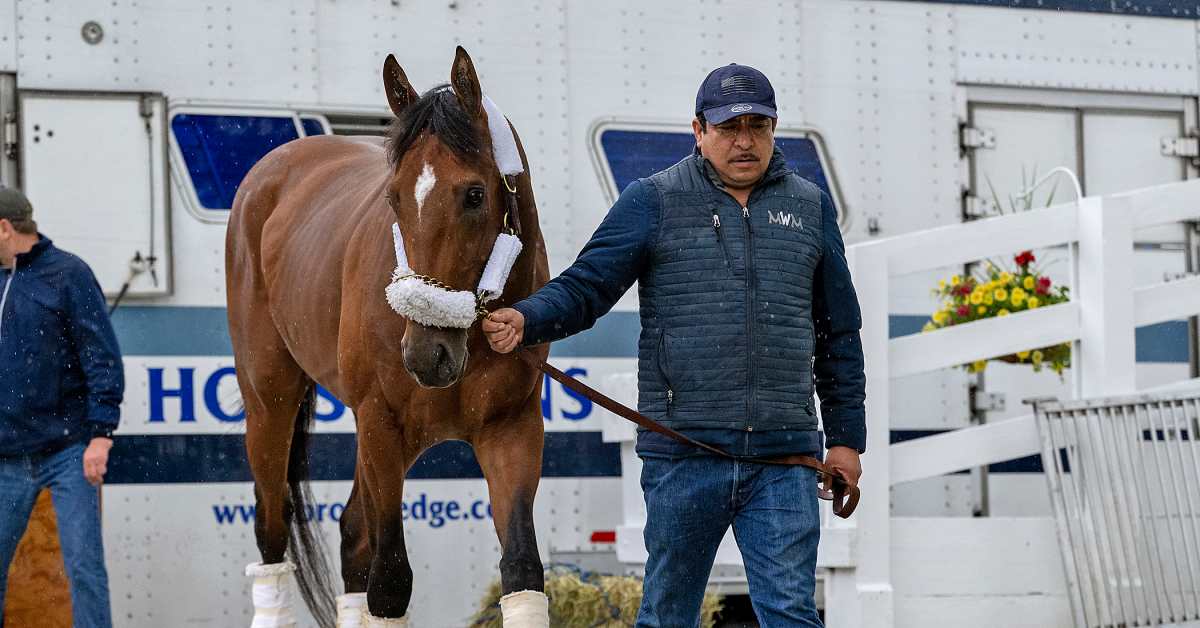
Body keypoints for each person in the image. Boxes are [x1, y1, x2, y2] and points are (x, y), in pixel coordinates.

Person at [483, 64, 866, 627]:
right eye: (728, 127)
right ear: (698, 130)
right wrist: (527, 317)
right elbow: (587, 287)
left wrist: (846, 442)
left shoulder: (810, 207)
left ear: (774, 128)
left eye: (758, 126)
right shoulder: (653, 200)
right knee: (668, 617)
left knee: (791, 614)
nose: (744, 140)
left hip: (784, 461)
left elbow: (839, 333)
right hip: (683, 457)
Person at [0, 186, 123, 628]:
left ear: (4, 228)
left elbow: (101, 357)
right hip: (6, 456)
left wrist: (101, 435)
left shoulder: (68, 274)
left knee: (84, 568)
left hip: (69, 451)